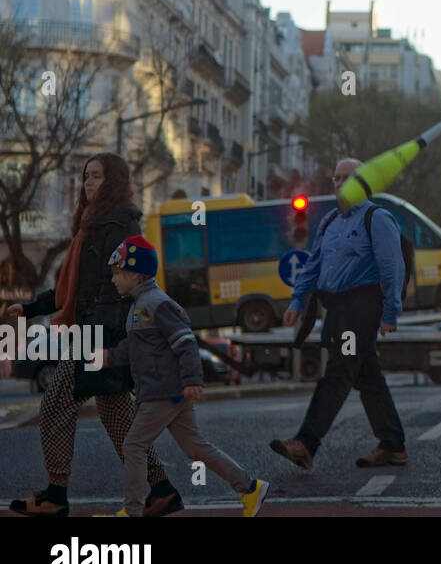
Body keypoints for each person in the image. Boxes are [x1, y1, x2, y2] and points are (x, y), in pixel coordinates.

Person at [8, 154, 182, 518]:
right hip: (96, 333)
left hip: (100, 335)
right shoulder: (93, 224)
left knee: (54, 404)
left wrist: (96, 340)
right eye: (85, 176)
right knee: (117, 416)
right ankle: (162, 489)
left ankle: (56, 494)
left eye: (96, 176)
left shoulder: (118, 224)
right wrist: (30, 308)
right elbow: (71, 288)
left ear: (114, 181)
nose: (87, 183)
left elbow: (111, 289)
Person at [96, 236, 269, 517]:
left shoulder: (155, 303)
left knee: (134, 445)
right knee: (195, 447)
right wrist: (109, 357)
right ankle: (250, 488)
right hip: (165, 389)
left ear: (136, 275)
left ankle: (132, 510)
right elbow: (136, 346)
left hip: (164, 391)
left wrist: (192, 380)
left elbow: (186, 341)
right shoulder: (139, 306)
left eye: (118, 273)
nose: (114, 280)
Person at [270, 158, 407, 470]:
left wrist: (391, 312)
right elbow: (312, 265)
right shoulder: (330, 221)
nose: (340, 183)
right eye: (336, 178)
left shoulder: (377, 218)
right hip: (337, 309)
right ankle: (393, 445)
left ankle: (306, 442)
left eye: (349, 177)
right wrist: (296, 302)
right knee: (367, 375)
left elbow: (392, 268)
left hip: (362, 307)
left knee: (339, 370)